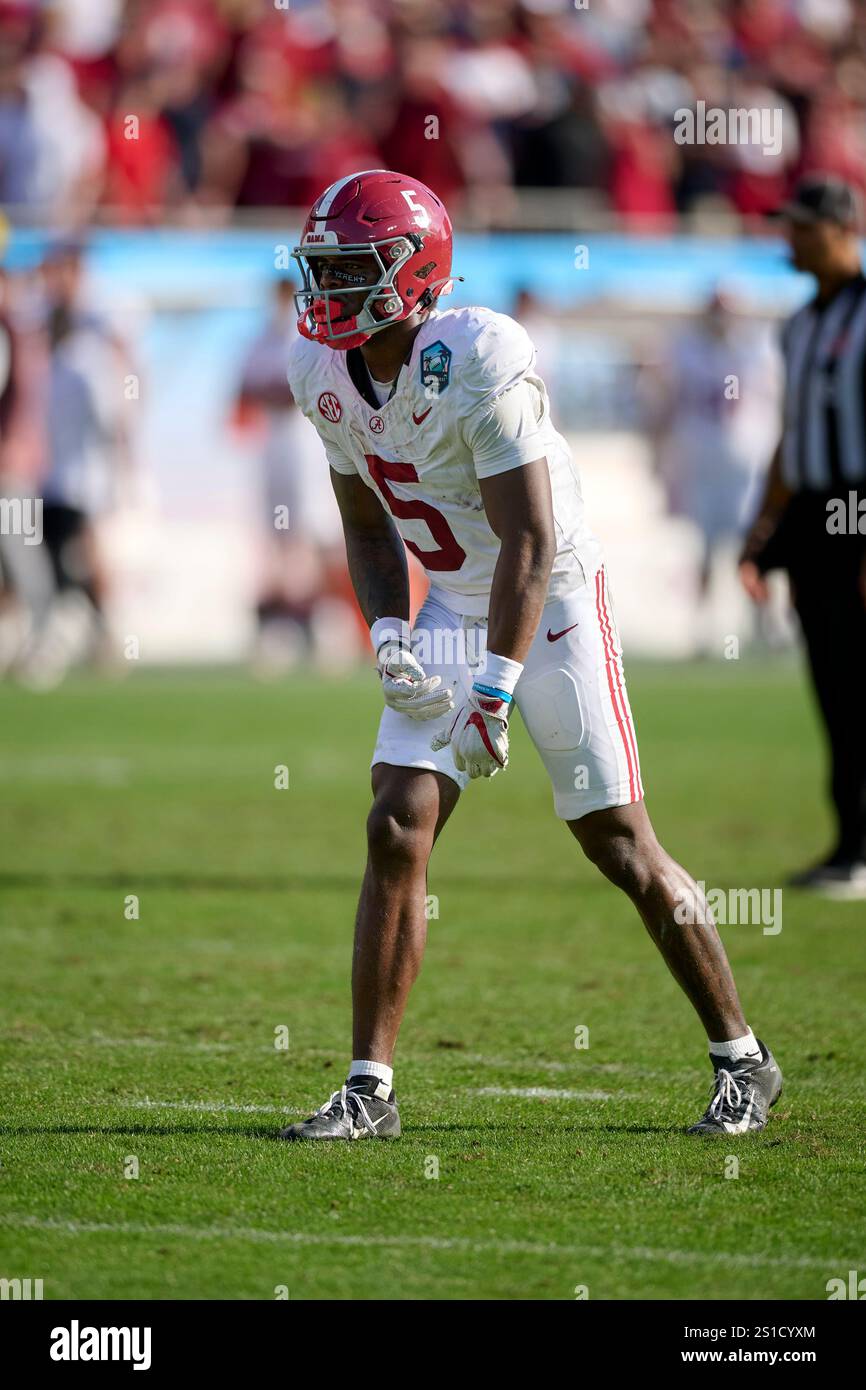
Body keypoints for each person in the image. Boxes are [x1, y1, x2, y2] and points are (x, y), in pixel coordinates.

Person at [280, 169, 781, 1141]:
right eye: (322, 267)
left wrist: (493, 690)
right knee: (396, 820)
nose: (327, 289)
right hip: (453, 598)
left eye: (350, 268)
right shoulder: (319, 370)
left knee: (616, 842)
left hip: (546, 600)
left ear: (412, 274)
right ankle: (368, 1089)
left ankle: (740, 1056)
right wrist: (387, 630)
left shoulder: (477, 349)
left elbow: (530, 539)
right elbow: (365, 524)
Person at [741, 175, 866, 899]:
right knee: (834, 685)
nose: (788, 237)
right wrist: (762, 534)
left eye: (802, 225)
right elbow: (790, 438)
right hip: (817, 519)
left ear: (842, 225)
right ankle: (850, 840)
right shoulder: (796, 324)